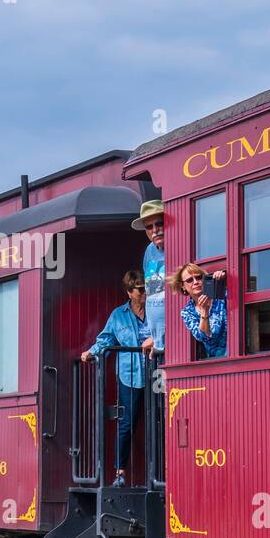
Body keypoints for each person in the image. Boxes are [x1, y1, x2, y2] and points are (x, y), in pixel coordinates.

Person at [81, 269, 150, 486]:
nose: (145, 292)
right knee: (127, 423)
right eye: (140, 289)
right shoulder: (118, 315)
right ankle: (120, 473)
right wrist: (91, 352)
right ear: (129, 292)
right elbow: (106, 339)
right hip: (130, 375)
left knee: (159, 422)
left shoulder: (156, 309)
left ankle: (164, 473)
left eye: (146, 288)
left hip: (157, 373)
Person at [173, 262, 227, 357]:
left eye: (198, 277)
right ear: (182, 286)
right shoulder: (187, 312)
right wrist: (204, 312)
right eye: (190, 280)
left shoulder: (219, 295)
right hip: (215, 360)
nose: (195, 282)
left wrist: (225, 280)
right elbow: (203, 337)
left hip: (237, 351)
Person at [133, 200, 166, 358]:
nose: (155, 230)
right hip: (156, 342)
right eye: (149, 227)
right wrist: (154, 336)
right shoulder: (149, 251)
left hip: (178, 340)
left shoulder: (179, 245)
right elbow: (153, 294)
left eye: (159, 223)